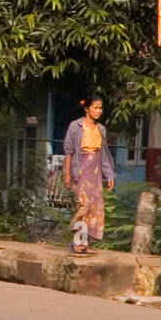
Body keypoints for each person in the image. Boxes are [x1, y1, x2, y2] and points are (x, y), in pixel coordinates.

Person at [62, 93, 116, 256]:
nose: (98, 111)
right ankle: (75, 236)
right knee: (84, 204)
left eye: (100, 108)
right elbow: (69, 152)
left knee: (95, 207)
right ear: (87, 109)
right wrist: (66, 174)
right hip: (81, 169)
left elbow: (104, 154)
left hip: (96, 170)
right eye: (95, 108)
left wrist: (109, 175)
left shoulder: (101, 129)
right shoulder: (75, 126)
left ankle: (84, 242)